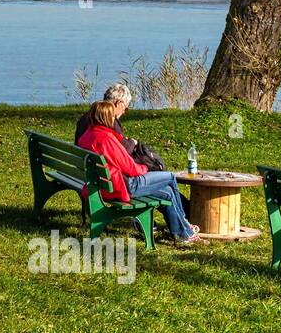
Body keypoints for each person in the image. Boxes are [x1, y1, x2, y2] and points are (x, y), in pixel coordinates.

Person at [76, 100, 198, 245]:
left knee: (168, 193)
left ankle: (182, 232)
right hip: (122, 186)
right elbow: (132, 169)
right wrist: (146, 168)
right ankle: (184, 225)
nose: (115, 119)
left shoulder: (87, 136)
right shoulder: (106, 139)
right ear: (107, 118)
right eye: (113, 117)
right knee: (170, 177)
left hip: (101, 186)